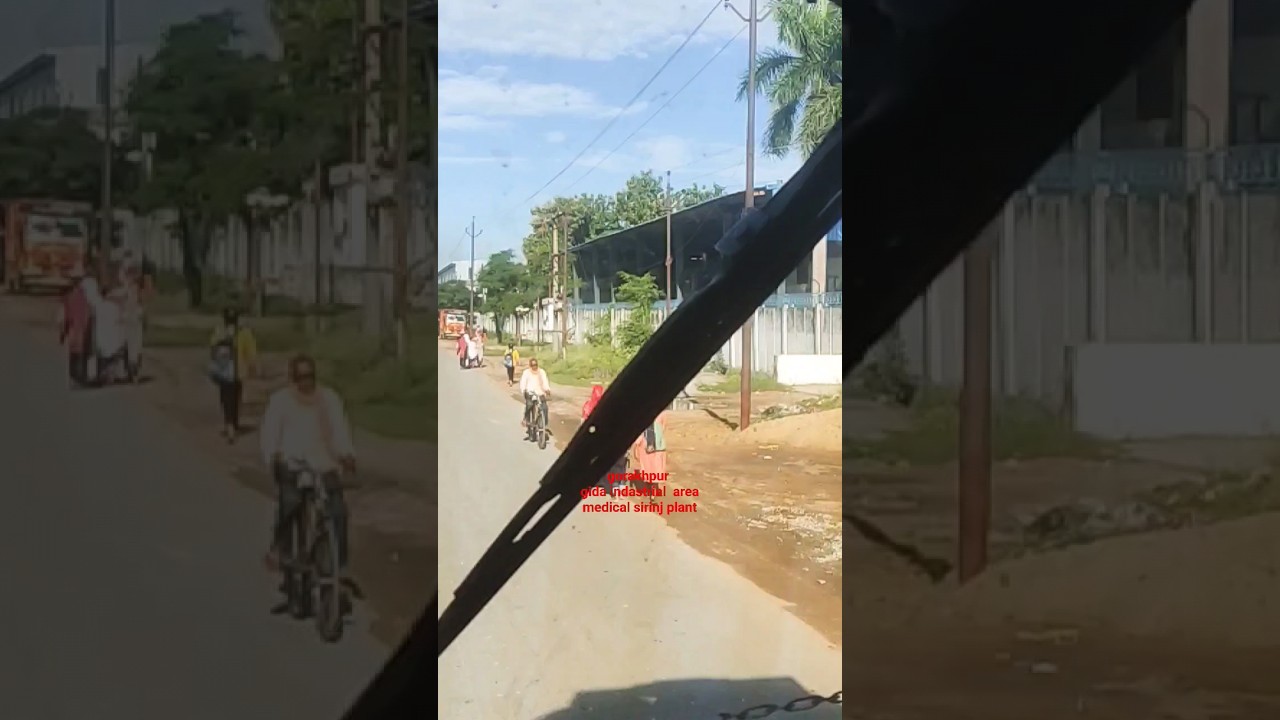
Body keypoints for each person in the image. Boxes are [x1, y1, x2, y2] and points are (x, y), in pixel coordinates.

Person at [260, 354, 356, 616]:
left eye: (310, 376)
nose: (306, 382)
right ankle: (280, 549)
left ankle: (336, 566)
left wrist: (347, 455)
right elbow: (270, 436)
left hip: (324, 466)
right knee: (290, 503)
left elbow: (340, 432)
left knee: (338, 512)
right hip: (293, 467)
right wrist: (274, 458)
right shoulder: (280, 402)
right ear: (292, 378)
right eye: (301, 377)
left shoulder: (329, 400)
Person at [208, 308, 259, 443]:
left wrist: (252, 366)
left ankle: (232, 423)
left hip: (235, 372)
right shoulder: (222, 332)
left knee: (233, 398)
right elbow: (213, 348)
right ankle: (230, 425)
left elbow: (251, 350)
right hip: (227, 371)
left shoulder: (242, 333)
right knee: (228, 399)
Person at [57, 277, 93, 386]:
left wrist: (62, 335)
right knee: (83, 354)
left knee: (74, 355)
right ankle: (82, 376)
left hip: (74, 332)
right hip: (85, 331)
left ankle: (75, 377)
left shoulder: (68, 299)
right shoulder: (86, 298)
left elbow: (64, 319)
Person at [630, 408, 670, 489]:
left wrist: (637, 444)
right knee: (657, 468)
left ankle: (650, 486)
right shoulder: (662, 413)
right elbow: (663, 427)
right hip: (658, 445)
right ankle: (654, 487)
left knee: (648, 468)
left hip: (645, 446)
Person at [519, 358, 551, 440]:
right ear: (530, 366)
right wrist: (524, 391)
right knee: (529, 405)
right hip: (530, 393)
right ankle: (526, 419)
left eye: (536, 365)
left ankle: (543, 425)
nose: (534, 367)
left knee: (544, 408)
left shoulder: (542, 372)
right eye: (533, 365)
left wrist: (547, 389)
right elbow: (523, 383)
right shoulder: (526, 373)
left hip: (540, 393)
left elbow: (545, 382)